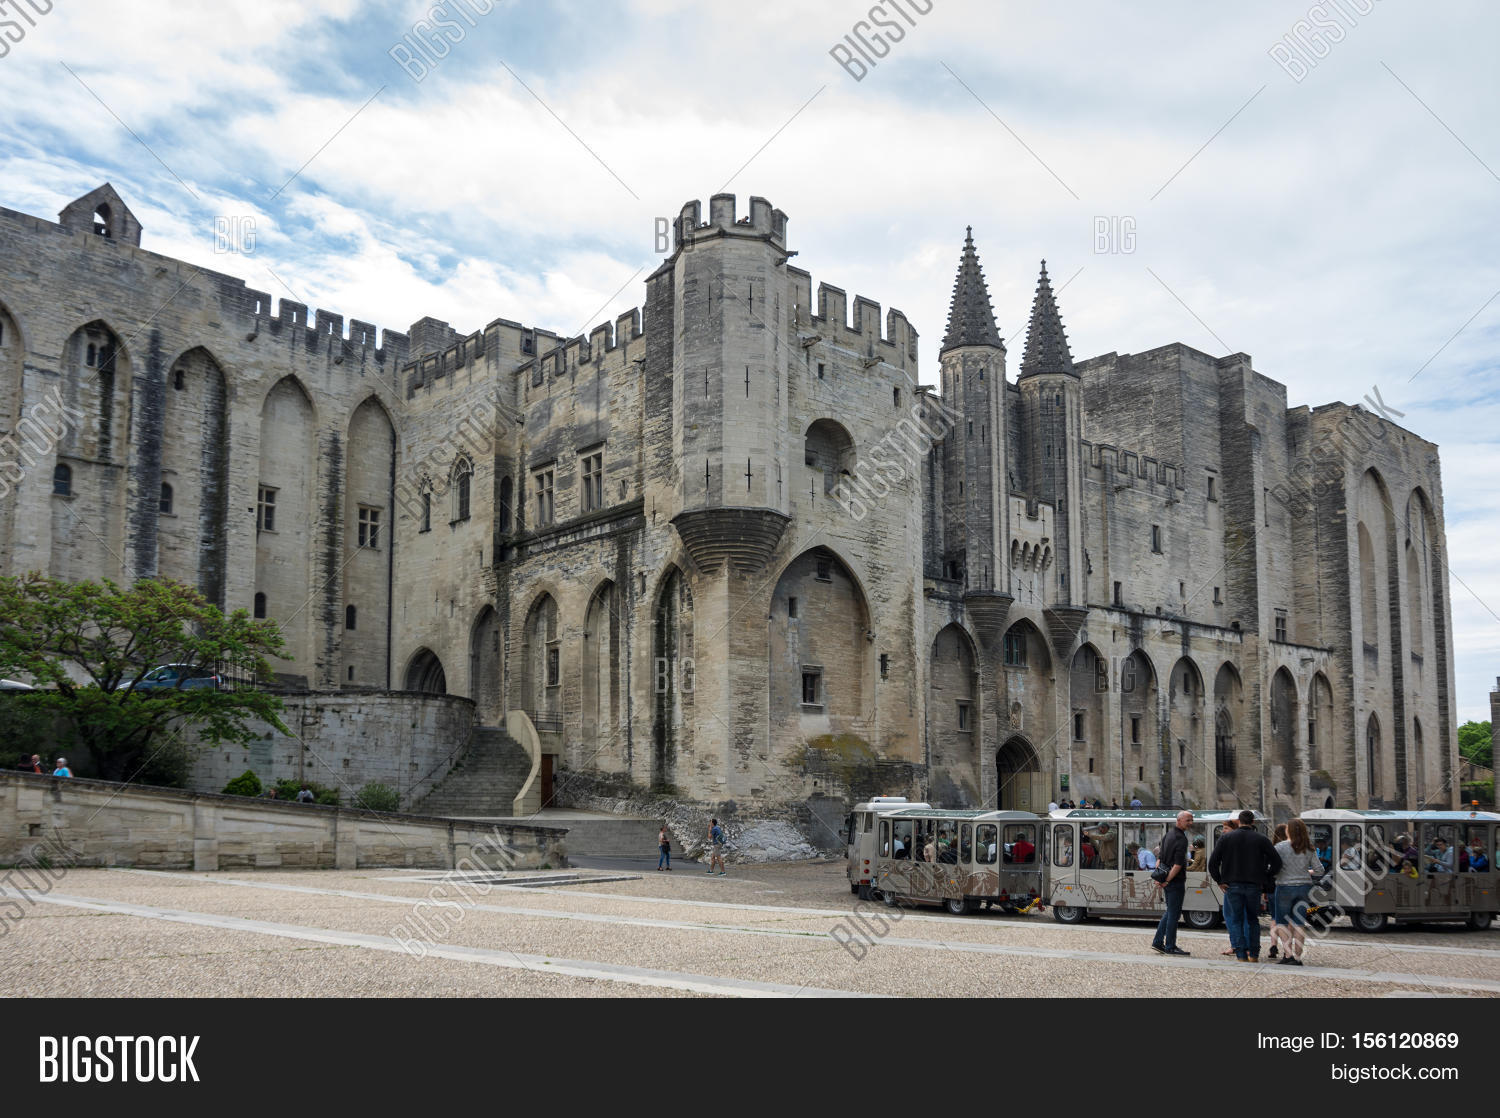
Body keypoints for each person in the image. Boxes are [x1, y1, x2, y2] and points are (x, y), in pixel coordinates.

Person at [1208, 809, 1282, 962]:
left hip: (1232, 884)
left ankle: (1241, 953)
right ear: (1253, 822)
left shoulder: (1226, 838)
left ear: (1238, 822)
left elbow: (1213, 862)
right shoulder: (1261, 839)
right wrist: (1266, 877)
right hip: (1254, 884)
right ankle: (1253, 953)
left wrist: (1219, 880)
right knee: (1252, 920)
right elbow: (1277, 862)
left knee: (1236, 919)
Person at [1269, 818, 1322, 966]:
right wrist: (1306, 872)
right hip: (1304, 887)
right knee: (1299, 923)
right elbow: (1319, 870)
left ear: (1288, 831)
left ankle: (1288, 954)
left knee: (1282, 923)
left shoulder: (1279, 847)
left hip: (1284, 887)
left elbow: (1271, 867)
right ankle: (1298, 958)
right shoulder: (1309, 848)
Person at [1150, 810, 1194, 956]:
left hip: (1167, 880)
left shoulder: (1168, 835)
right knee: (1174, 914)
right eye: (1188, 820)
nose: (1190, 823)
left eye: (1191, 820)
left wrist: (1160, 879)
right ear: (1179, 820)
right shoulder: (1181, 839)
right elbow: (1178, 864)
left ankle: (1157, 942)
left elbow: (1159, 859)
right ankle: (1170, 946)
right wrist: (1167, 880)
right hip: (1175, 881)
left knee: (1170, 912)